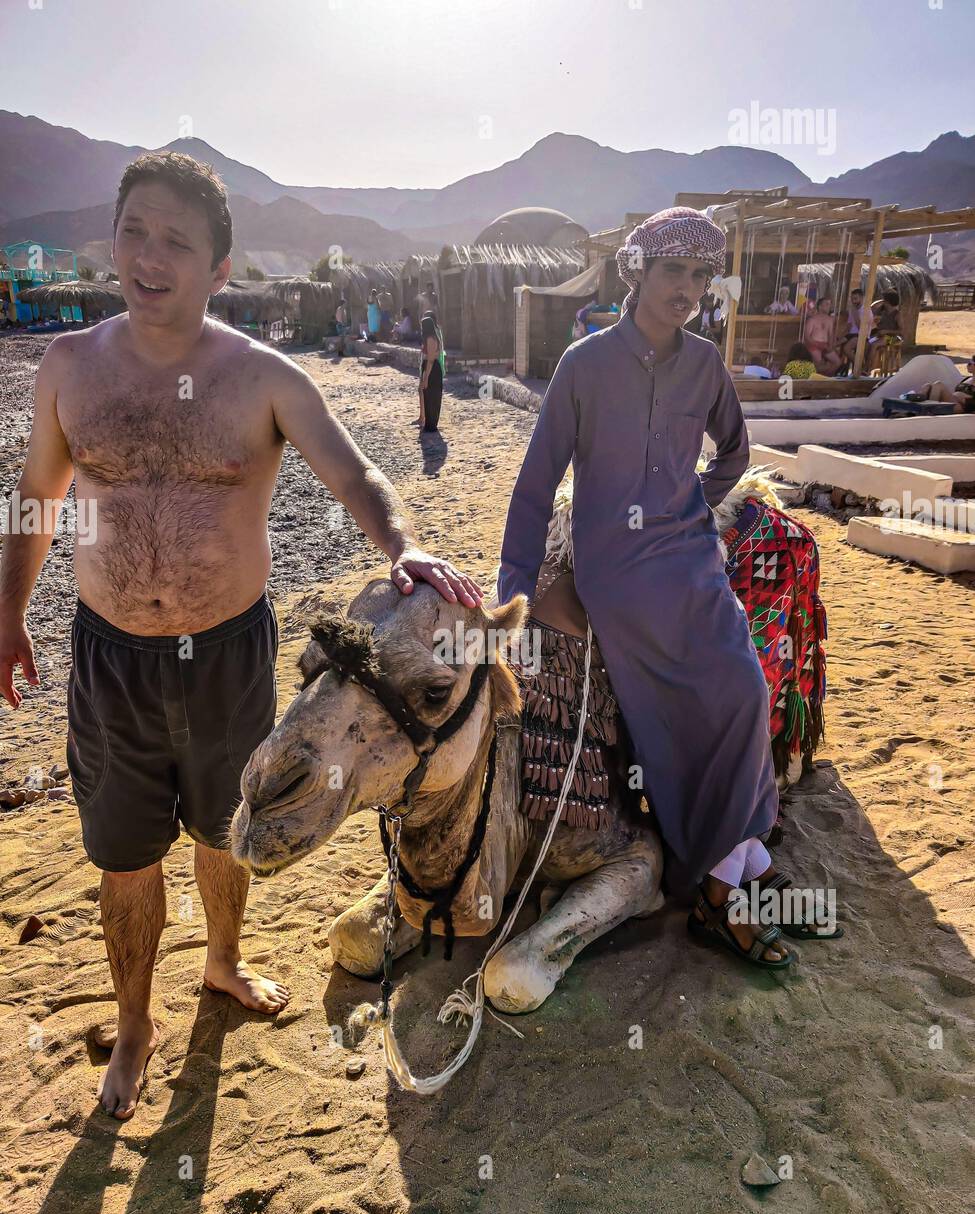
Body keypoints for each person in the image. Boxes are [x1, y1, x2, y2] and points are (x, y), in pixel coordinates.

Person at [0, 152, 483, 1121]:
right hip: (110, 658)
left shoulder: (263, 375)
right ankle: (135, 1026)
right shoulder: (70, 366)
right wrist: (9, 612)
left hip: (225, 654)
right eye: (135, 230)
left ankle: (220, 961)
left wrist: (402, 548)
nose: (149, 255)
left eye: (177, 241)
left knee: (229, 826)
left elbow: (356, 476)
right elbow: (38, 500)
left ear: (220, 268)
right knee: (124, 856)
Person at [498, 206, 821, 973]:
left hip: (690, 554)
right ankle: (722, 885)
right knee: (677, 711)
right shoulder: (583, 363)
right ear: (637, 271)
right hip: (615, 567)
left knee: (742, 692)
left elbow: (733, 452)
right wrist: (512, 592)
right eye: (673, 270)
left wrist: (693, 506)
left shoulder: (705, 363)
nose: (687, 289)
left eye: (702, 275)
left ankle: (738, 864)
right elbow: (536, 482)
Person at [910, 354, 975, 412]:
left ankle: (929, 410)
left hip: (962, 406)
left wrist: (963, 399)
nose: (967, 366)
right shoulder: (967, 379)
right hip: (952, 401)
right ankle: (913, 406)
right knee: (928, 386)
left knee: (939, 385)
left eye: (970, 364)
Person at [418, 311, 445, 432]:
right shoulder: (434, 337)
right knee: (431, 396)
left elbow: (430, 360)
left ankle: (431, 424)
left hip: (432, 369)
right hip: (432, 368)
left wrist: (426, 378)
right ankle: (430, 422)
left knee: (431, 396)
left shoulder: (430, 339)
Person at [837, 286, 873, 374]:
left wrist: (855, 313)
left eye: (856, 299)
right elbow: (849, 325)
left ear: (862, 298)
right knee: (835, 344)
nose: (854, 301)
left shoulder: (866, 310)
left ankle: (860, 366)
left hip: (861, 335)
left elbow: (861, 327)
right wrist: (841, 335)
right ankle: (840, 368)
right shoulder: (853, 309)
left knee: (847, 348)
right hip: (851, 335)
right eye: (852, 299)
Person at [867, 290, 903, 373]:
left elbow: (901, 331)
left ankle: (868, 369)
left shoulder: (897, 314)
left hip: (894, 338)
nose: (883, 302)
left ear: (888, 302)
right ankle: (866, 367)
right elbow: (872, 307)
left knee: (874, 345)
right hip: (881, 336)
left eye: (885, 301)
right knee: (868, 343)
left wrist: (886, 331)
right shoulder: (883, 312)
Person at [803, 295, 841, 374]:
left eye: (829, 304)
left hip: (826, 345)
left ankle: (826, 379)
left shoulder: (830, 320)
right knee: (820, 365)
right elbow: (807, 337)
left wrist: (831, 346)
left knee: (837, 362)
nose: (829, 306)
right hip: (813, 345)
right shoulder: (812, 319)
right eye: (826, 304)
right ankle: (815, 378)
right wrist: (817, 344)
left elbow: (830, 335)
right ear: (820, 307)